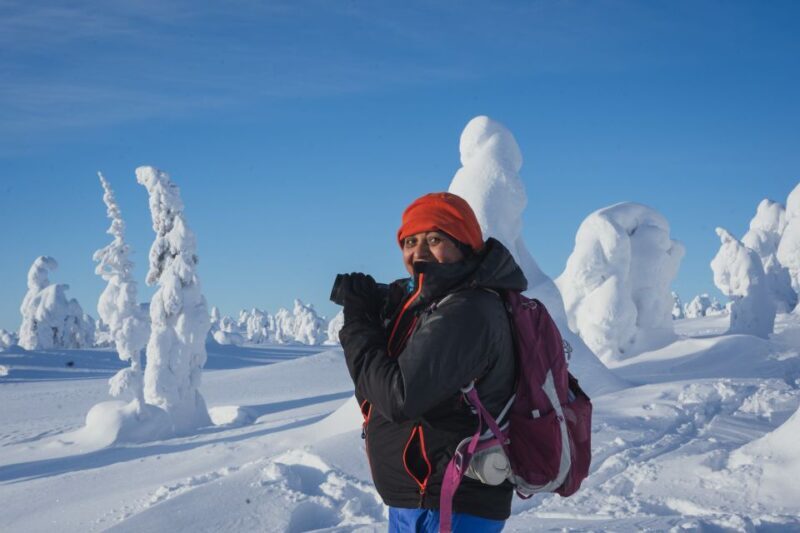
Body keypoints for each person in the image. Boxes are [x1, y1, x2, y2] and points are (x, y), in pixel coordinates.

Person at [335, 192, 528, 532]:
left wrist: (357, 322)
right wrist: (379, 305)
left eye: (435, 239)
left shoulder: (468, 310)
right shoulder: (438, 307)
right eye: (410, 241)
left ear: (465, 244)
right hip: (424, 499)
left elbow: (398, 398)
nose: (419, 252)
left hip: (450, 503)